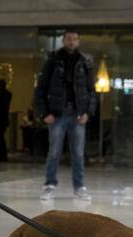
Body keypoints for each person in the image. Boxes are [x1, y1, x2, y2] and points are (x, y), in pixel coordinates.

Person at [34, 30, 96, 201]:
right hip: (57, 113)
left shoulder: (84, 61)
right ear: (63, 40)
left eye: (75, 39)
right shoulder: (53, 60)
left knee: (78, 152)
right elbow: (40, 89)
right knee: (54, 151)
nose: (71, 42)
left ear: (78, 41)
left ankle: (79, 186)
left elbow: (91, 90)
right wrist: (44, 112)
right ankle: (49, 185)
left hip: (78, 114)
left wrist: (88, 112)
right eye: (69, 39)